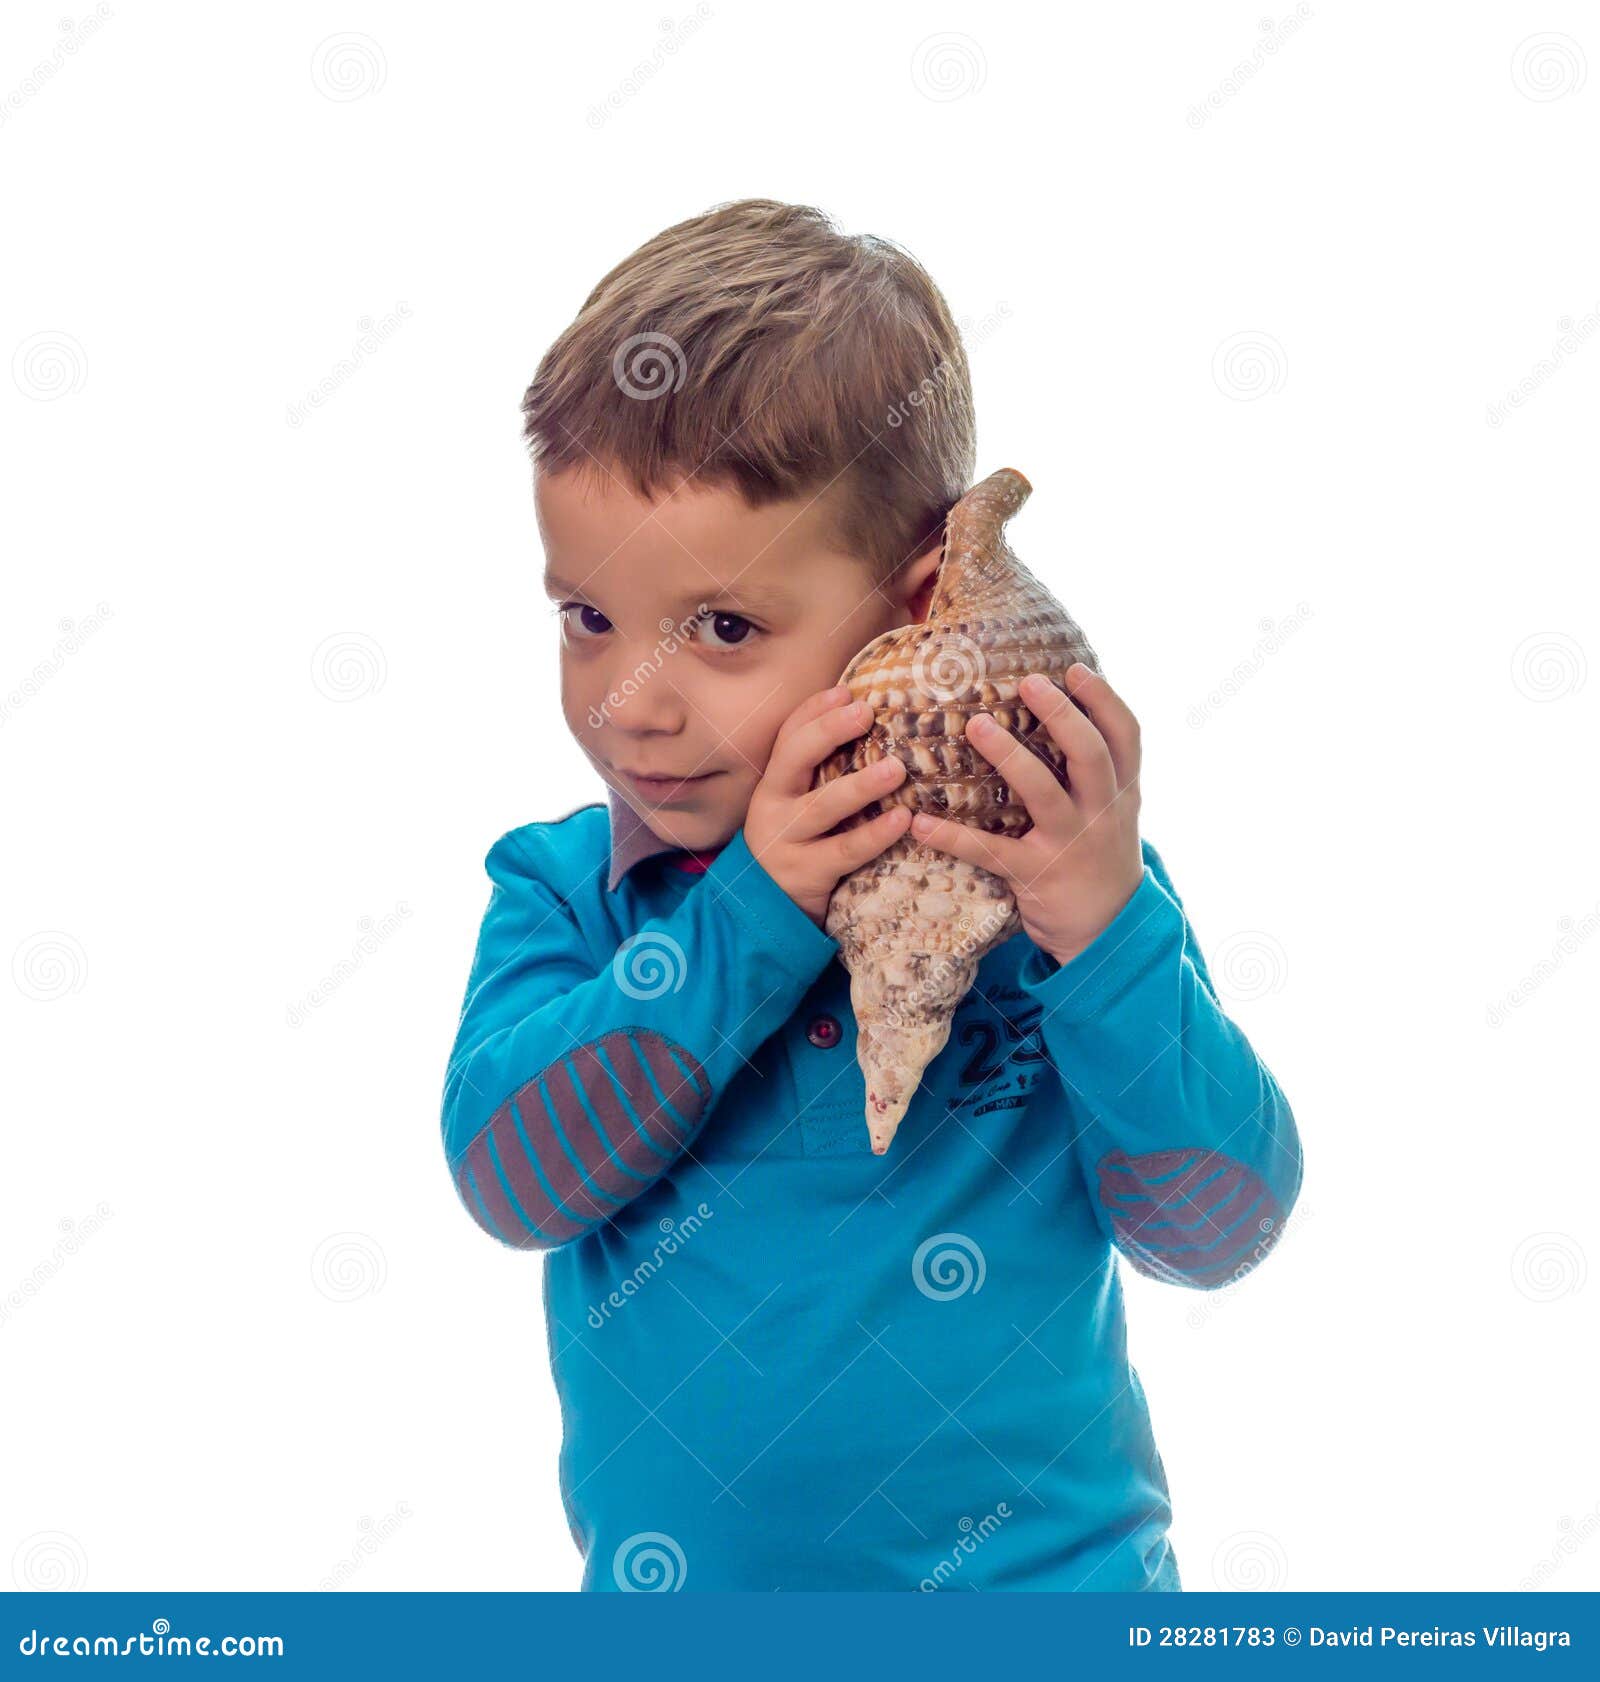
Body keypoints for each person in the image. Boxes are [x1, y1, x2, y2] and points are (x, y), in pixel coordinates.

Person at [440, 198, 1303, 1592]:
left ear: (919, 611)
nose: (631, 704)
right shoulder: (570, 896)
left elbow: (1219, 1227)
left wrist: (1108, 932)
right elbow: (511, 1176)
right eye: (586, 618)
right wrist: (754, 922)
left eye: (723, 629)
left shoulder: (1047, 891)